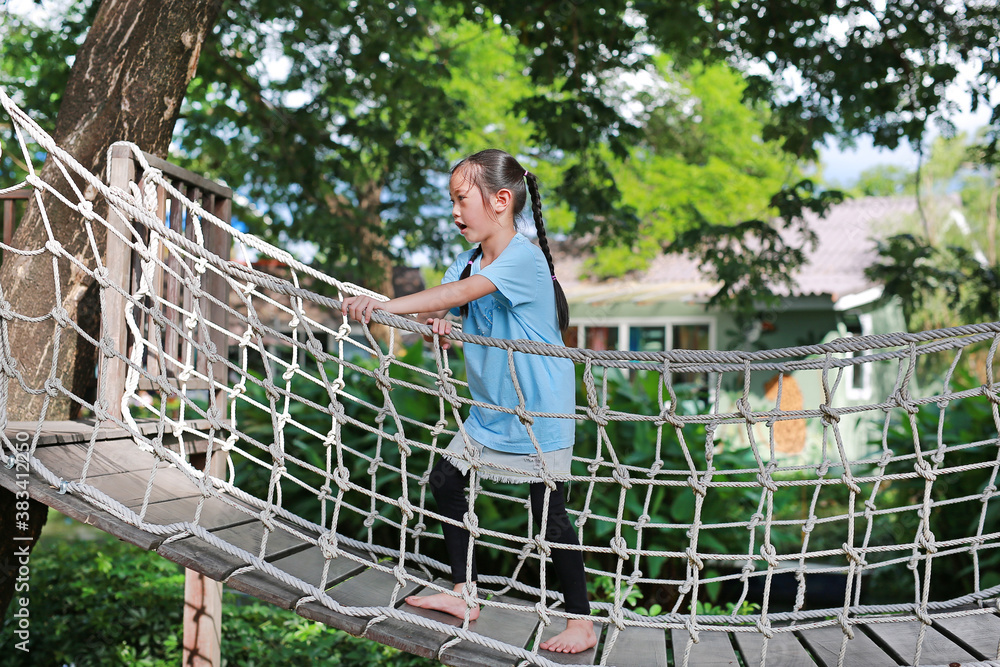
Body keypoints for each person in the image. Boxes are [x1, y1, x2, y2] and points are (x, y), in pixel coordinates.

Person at [341, 149, 596, 654]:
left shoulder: (524, 258)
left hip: (539, 408)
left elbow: (452, 296)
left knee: (549, 516)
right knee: (444, 479)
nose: (455, 212)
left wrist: (382, 306)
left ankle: (581, 622)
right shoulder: (466, 261)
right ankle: (464, 593)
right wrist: (441, 328)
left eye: (463, 200)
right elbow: (447, 311)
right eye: (452, 202)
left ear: (501, 201)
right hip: (491, 410)